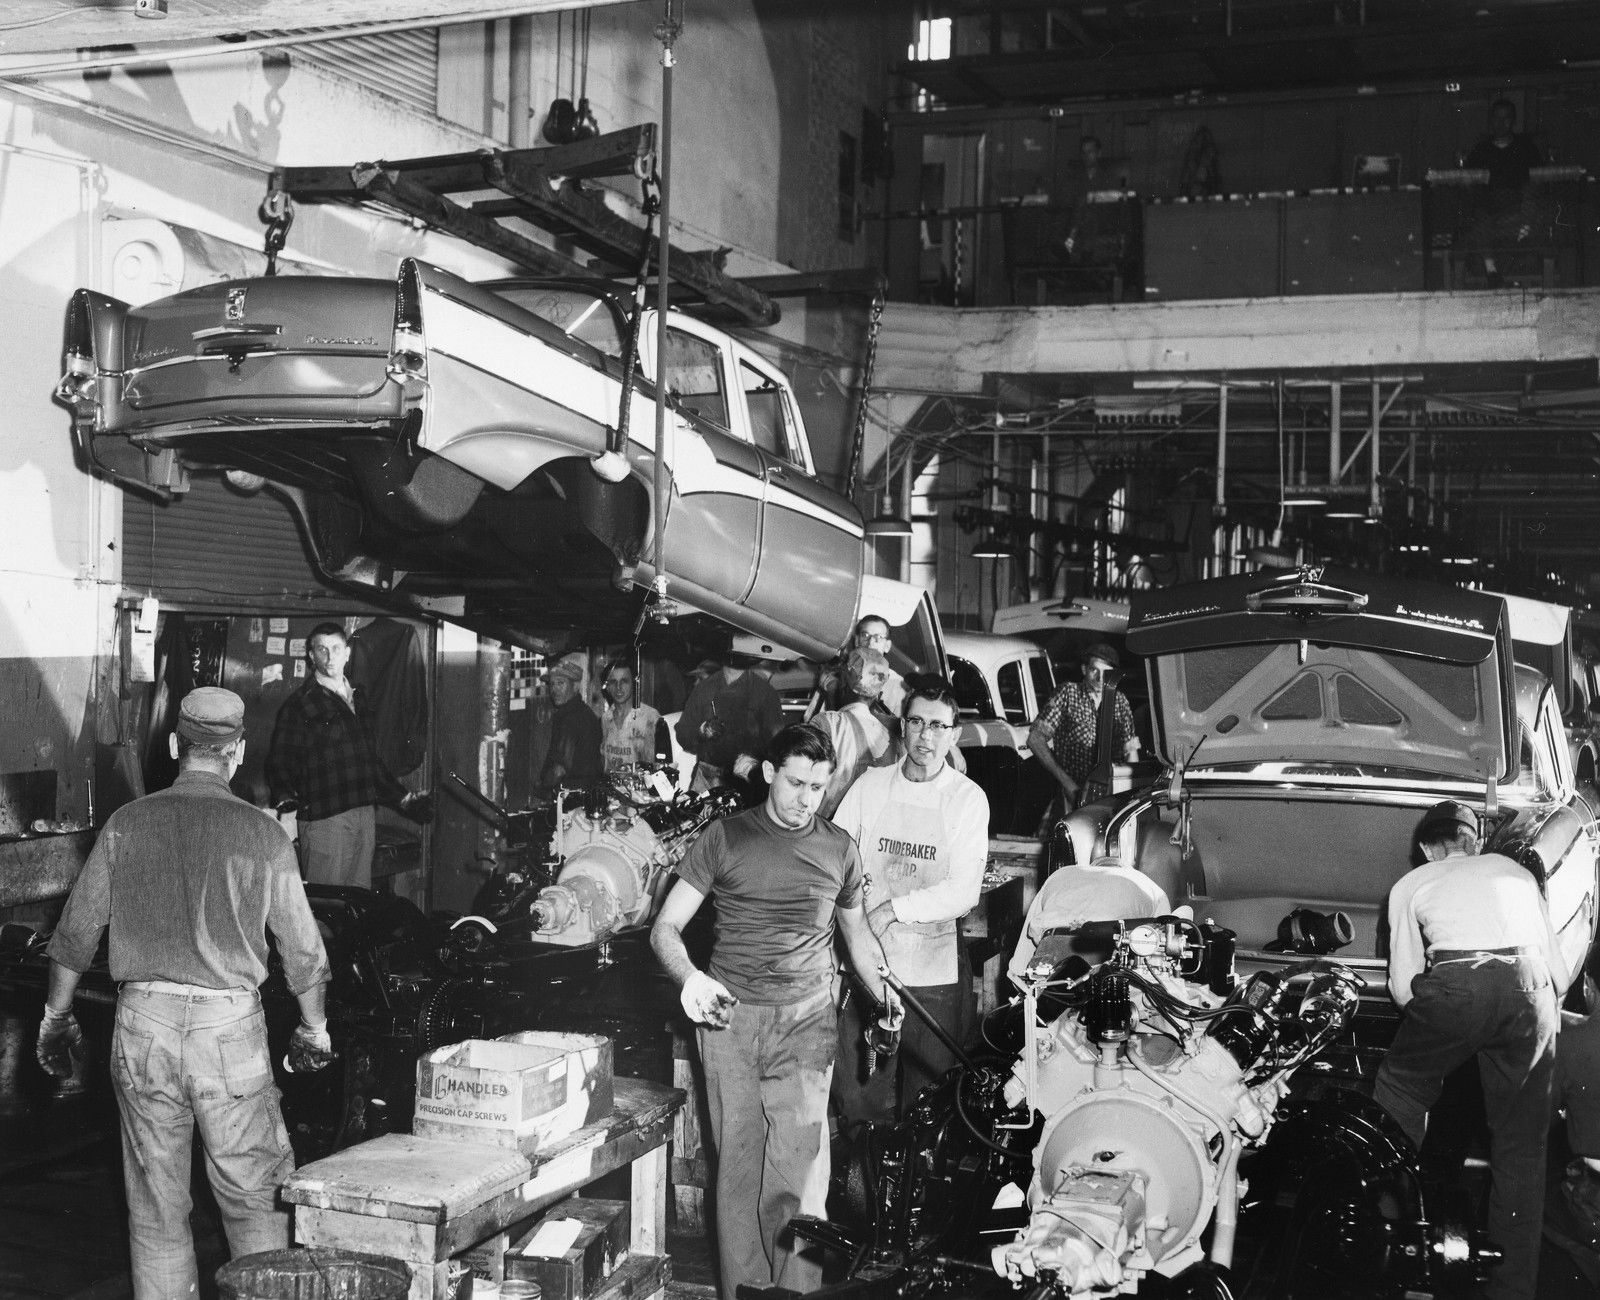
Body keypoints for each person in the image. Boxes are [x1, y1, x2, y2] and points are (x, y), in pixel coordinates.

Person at [37, 687, 331, 1300]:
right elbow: (304, 952)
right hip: (230, 1033)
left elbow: (74, 934)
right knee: (255, 1203)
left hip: (143, 1024)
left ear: (176, 746)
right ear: (238, 753)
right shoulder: (264, 835)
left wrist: (55, 1016)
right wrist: (314, 1028)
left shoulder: (126, 823)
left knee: (156, 1210)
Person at [651, 724, 902, 1300]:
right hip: (729, 1021)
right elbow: (665, 928)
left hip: (808, 1023)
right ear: (769, 774)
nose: (806, 799)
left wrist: (884, 998)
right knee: (738, 1170)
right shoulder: (725, 838)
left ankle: (798, 1294)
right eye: (795, 783)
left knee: (799, 1176)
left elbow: (857, 935)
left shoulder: (839, 847)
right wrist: (689, 979)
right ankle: (745, 1290)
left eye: (817, 786)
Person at [1373, 800, 1568, 1300]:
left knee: (1398, 1092)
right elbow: (1561, 974)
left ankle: (1389, 1247)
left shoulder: (1410, 884)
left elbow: (1401, 986)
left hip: (1457, 983)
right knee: (1523, 1149)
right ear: (1473, 839)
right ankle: (1511, 1289)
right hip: (1533, 988)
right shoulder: (1516, 872)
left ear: (1425, 848)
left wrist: (1445, 1014)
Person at [831, 678, 990, 1126]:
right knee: (860, 1101)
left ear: (954, 734)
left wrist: (889, 910)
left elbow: (963, 892)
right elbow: (835, 858)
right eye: (917, 722)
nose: (926, 736)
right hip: (866, 970)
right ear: (903, 726)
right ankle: (863, 1192)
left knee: (929, 1105)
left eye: (939, 726)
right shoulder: (870, 785)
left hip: (931, 974)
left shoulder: (967, 799)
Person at [267, 622, 427, 889]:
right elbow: (280, 763)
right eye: (322, 649)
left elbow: (371, 763)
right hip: (326, 820)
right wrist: (287, 805)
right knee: (327, 910)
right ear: (311, 655)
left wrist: (405, 799)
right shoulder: (300, 705)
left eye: (336, 649)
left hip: (364, 815)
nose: (330, 657)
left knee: (357, 908)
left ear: (347, 653)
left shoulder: (360, 699)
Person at [1008, 855, 1172, 989]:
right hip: (1110, 951)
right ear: (1125, 868)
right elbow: (1161, 944)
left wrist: (1018, 973)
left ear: (1093, 865)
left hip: (1053, 946)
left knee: (1038, 1007)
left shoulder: (1061, 874)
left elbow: (1028, 940)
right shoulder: (1149, 885)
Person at [1029, 642, 1138, 813]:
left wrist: (1133, 794)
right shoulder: (1067, 694)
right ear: (1084, 669)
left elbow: (1131, 752)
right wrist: (1067, 783)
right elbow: (1035, 739)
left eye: (1106, 672)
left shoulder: (1121, 702)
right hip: (1071, 793)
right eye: (1095, 670)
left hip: (1111, 795)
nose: (1100, 678)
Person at [674, 649, 784, 791]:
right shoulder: (704, 690)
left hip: (747, 780)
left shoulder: (765, 694)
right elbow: (683, 734)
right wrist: (702, 731)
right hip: (707, 778)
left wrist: (756, 759)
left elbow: (779, 746)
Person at [808, 645, 896, 820]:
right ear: (877, 694)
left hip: (825, 830)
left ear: (842, 682)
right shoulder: (889, 735)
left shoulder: (827, 723)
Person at [1463, 98, 1544, 286]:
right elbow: (1468, 177)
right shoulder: (1481, 149)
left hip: (1518, 203)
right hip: (1490, 206)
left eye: (1506, 118)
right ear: (1491, 121)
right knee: (1479, 210)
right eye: (1497, 118)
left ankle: (1523, 237)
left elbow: (1539, 176)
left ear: (1513, 121)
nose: (1501, 123)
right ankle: (1491, 270)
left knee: (1530, 193)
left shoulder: (1526, 147)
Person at [540, 652, 604, 791]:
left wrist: (542, 788)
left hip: (573, 797)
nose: (554, 689)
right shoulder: (582, 712)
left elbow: (559, 770)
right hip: (585, 794)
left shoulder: (571, 718)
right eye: (552, 684)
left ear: (575, 686)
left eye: (560, 683)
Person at [596, 658, 663, 773]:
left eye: (624, 681)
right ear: (607, 687)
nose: (618, 687)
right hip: (611, 787)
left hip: (639, 789)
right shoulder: (606, 719)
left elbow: (658, 768)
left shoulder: (650, 718)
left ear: (634, 683)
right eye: (613, 682)